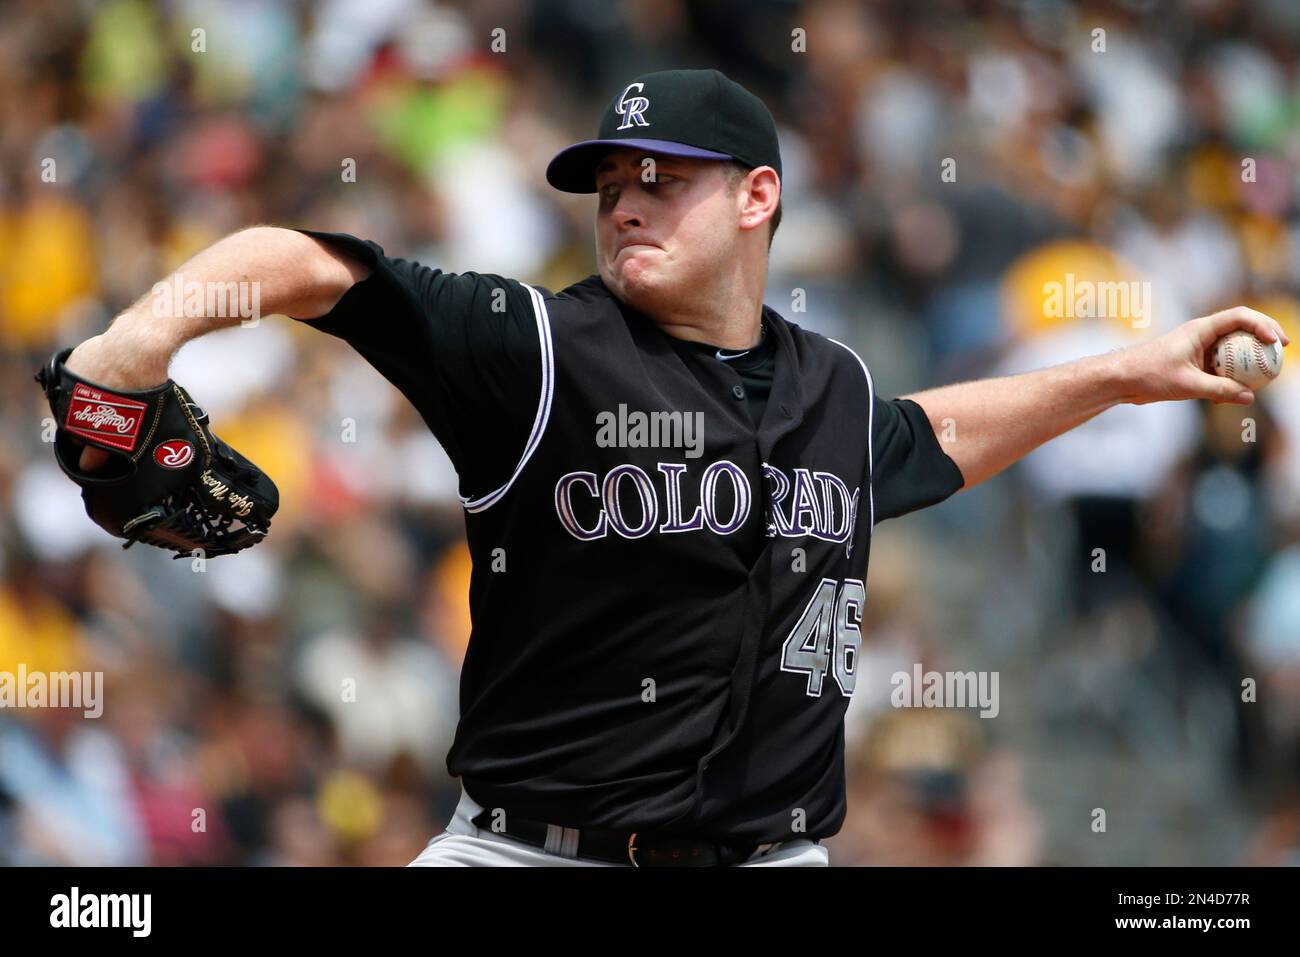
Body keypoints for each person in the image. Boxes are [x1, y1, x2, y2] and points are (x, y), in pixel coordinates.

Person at [61, 69, 1288, 866]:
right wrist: (133, 346)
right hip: (529, 855)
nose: (626, 205)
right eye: (610, 185)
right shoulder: (534, 349)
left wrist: (1128, 373)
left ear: (759, 197)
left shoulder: (832, 390)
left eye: (662, 179)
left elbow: (931, 439)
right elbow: (313, 262)